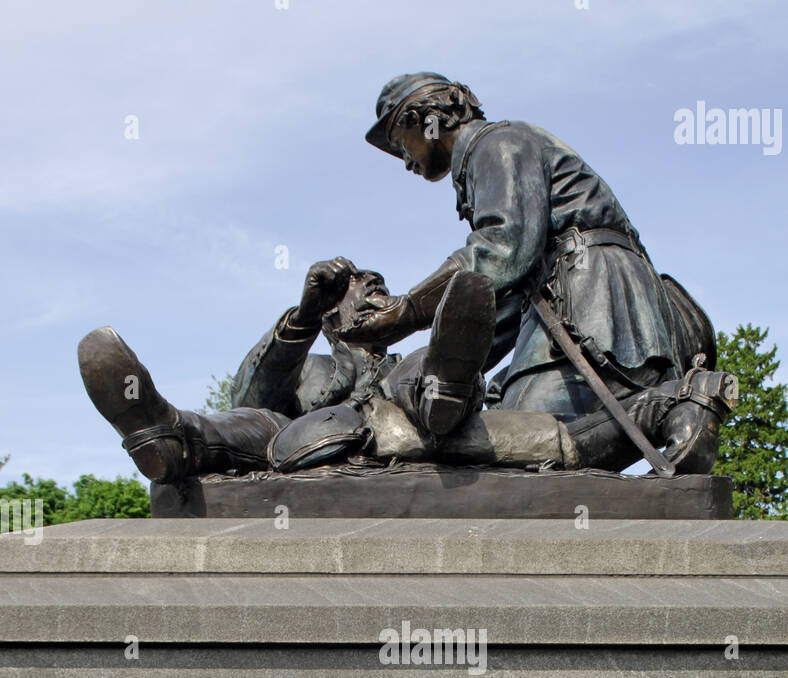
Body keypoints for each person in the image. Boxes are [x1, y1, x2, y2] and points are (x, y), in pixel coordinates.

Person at [337, 72, 737, 473]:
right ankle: (674, 408)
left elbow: (504, 247)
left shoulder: (499, 145)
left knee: (519, 438)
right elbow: (502, 299)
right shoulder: (489, 157)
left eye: (398, 142)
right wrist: (443, 369)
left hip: (592, 297)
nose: (404, 160)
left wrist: (406, 311)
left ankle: (683, 401)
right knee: (527, 440)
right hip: (573, 299)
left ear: (424, 120)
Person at [78, 258, 497, 482]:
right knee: (259, 419)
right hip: (303, 440)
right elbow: (245, 399)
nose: (376, 291)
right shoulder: (309, 368)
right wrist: (304, 316)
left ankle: (447, 388)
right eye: (361, 292)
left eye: (382, 293)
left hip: (407, 415)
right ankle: (169, 438)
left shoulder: (402, 363)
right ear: (331, 318)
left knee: (424, 366)